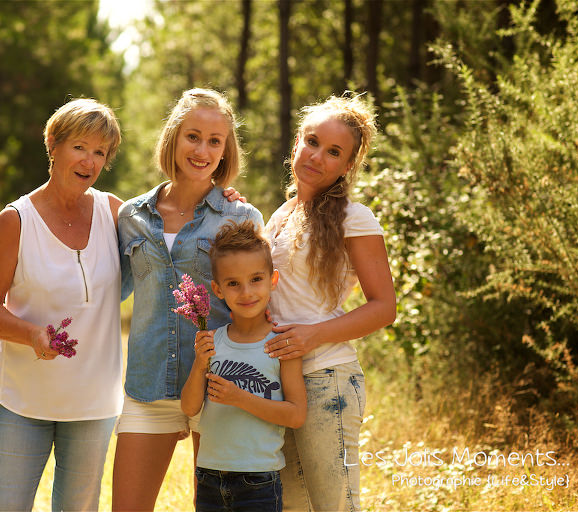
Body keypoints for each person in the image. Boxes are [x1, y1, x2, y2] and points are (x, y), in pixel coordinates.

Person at [113, 88, 264, 511]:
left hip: (220, 388)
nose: (202, 150)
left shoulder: (241, 218)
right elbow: (110, 291)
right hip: (148, 386)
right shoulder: (132, 217)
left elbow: (257, 305)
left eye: (215, 141)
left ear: (225, 150)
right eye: (193, 136)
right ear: (174, 138)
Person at [0, 98, 124, 512]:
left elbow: (171, 231)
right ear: (52, 144)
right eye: (80, 146)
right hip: (24, 400)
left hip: (94, 403)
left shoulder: (115, 213)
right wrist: (30, 333)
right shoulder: (16, 220)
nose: (90, 161)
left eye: (100, 152)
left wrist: (218, 196)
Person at [262, 94, 396, 512]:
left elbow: (383, 306)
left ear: (346, 166)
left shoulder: (354, 218)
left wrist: (312, 335)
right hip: (280, 384)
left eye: (333, 152)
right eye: (312, 141)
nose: (317, 156)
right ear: (297, 143)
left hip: (327, 380)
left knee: (336, 507)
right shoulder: (282, 214)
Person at [181, 220, 307, 512]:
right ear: (218, 289)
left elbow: (296, 415)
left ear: (272, 281)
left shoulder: (282, 345)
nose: (246, 292)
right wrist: (200, 365)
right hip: (209, 475)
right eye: (233, 283)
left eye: (256, 279)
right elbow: (189, 408)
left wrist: (239, 398)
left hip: (259, 480)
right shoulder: (212, 342)